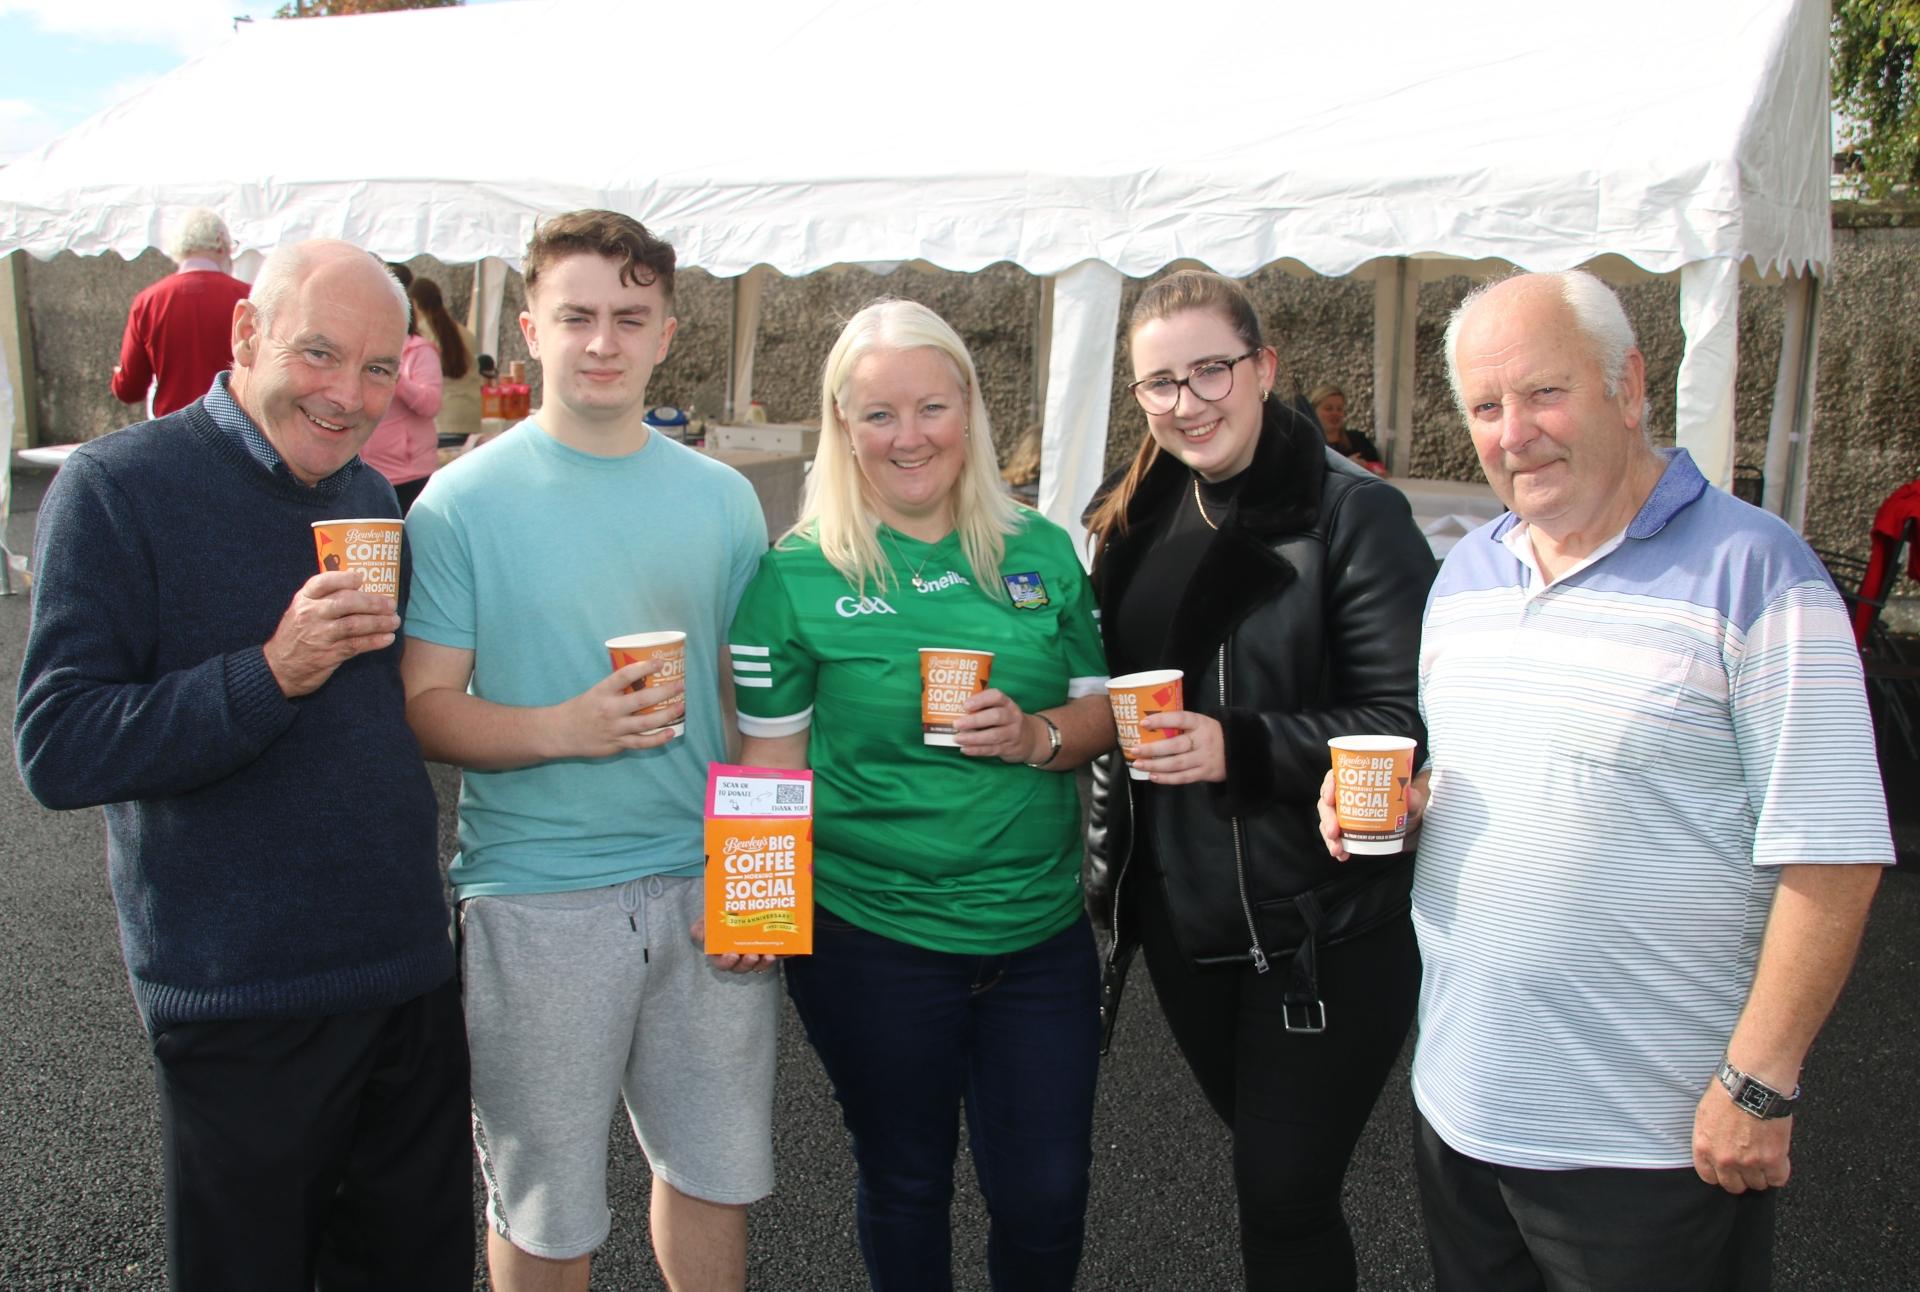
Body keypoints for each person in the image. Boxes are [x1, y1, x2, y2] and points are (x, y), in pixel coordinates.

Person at [1320, 270, 1891, 1291]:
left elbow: (1833, 849)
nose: (1514, 432)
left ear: (1629, 386)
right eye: (1487, 408)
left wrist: (1759, 1083)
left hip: (1653, 1142)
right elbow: (1484, 776)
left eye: (1544, 394)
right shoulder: (1466, 576)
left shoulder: (1759, 570)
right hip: (1464, 1111)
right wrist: (1405, 812)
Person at [16, 239, 472, 1289]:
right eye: (319, 354)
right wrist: (272, 670)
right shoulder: (117, 486)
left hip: (404, 973)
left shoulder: (368, 492)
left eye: (374, 369)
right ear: (244, 335)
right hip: (240, 996)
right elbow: (58, 741)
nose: (347, 396)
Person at [400, 210, 776, 1292]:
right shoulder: (460, 502)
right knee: (547, 1198)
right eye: (577, 316)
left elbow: (754, 706)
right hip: (535, 893)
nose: (602, 341)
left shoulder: (723, 499)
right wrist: (566, 724)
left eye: (629, 316)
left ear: (666, 333)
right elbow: (426, 704)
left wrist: (754, 878)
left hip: (703, 883)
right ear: (530, 329)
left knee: (715, 1172)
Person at [728, 298, 1113, 1291]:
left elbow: (1101, 715)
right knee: (906, 1179)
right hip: (873, 936)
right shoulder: (797, 575)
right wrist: (751, 905)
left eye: (931, 407)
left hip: (1036, 933)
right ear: (842, 426)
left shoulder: (1039, 550)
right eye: (879, 414)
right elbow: (771, 763)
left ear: (970, 410)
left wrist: (1035, 737)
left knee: (1048, 1193)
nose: (909, 437)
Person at [1082, 270, 1434, 1291]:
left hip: (1315, 922)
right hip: (1186, 916)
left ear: (1265, 366)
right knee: (1272, 1166)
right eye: (1160, 382)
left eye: (1211, 371)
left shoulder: (1353, 513)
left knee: (1282, 1194)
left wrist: (1241, 743)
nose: (1187, 402)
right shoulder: (1134, 510)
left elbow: (1404, 717)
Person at [110, 208, 253, 417]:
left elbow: (129, 389)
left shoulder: (148, 301)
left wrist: (118, 375)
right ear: (221, 244)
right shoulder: (248, 296)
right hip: (236, 427)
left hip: (174, 429)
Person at [360, 262, 443, 512]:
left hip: (410, 473)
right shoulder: (361, 347)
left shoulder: (419, 350)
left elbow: (431, 404)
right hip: (367, 470)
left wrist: (395, 377)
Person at [410, 275, 484, 444]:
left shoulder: (420, 338)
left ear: (414, 303)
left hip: (441, 420)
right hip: (471, 417)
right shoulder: (465, 333)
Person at [1307, 382, 1385, 475]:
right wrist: (1345, 466)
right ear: (1313, 411)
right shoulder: (1308, 444)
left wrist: (1366, 466)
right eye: (1328, 408)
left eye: (1339, 409)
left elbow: (1381, 470)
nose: (1335, 413)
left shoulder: (1358, 439)